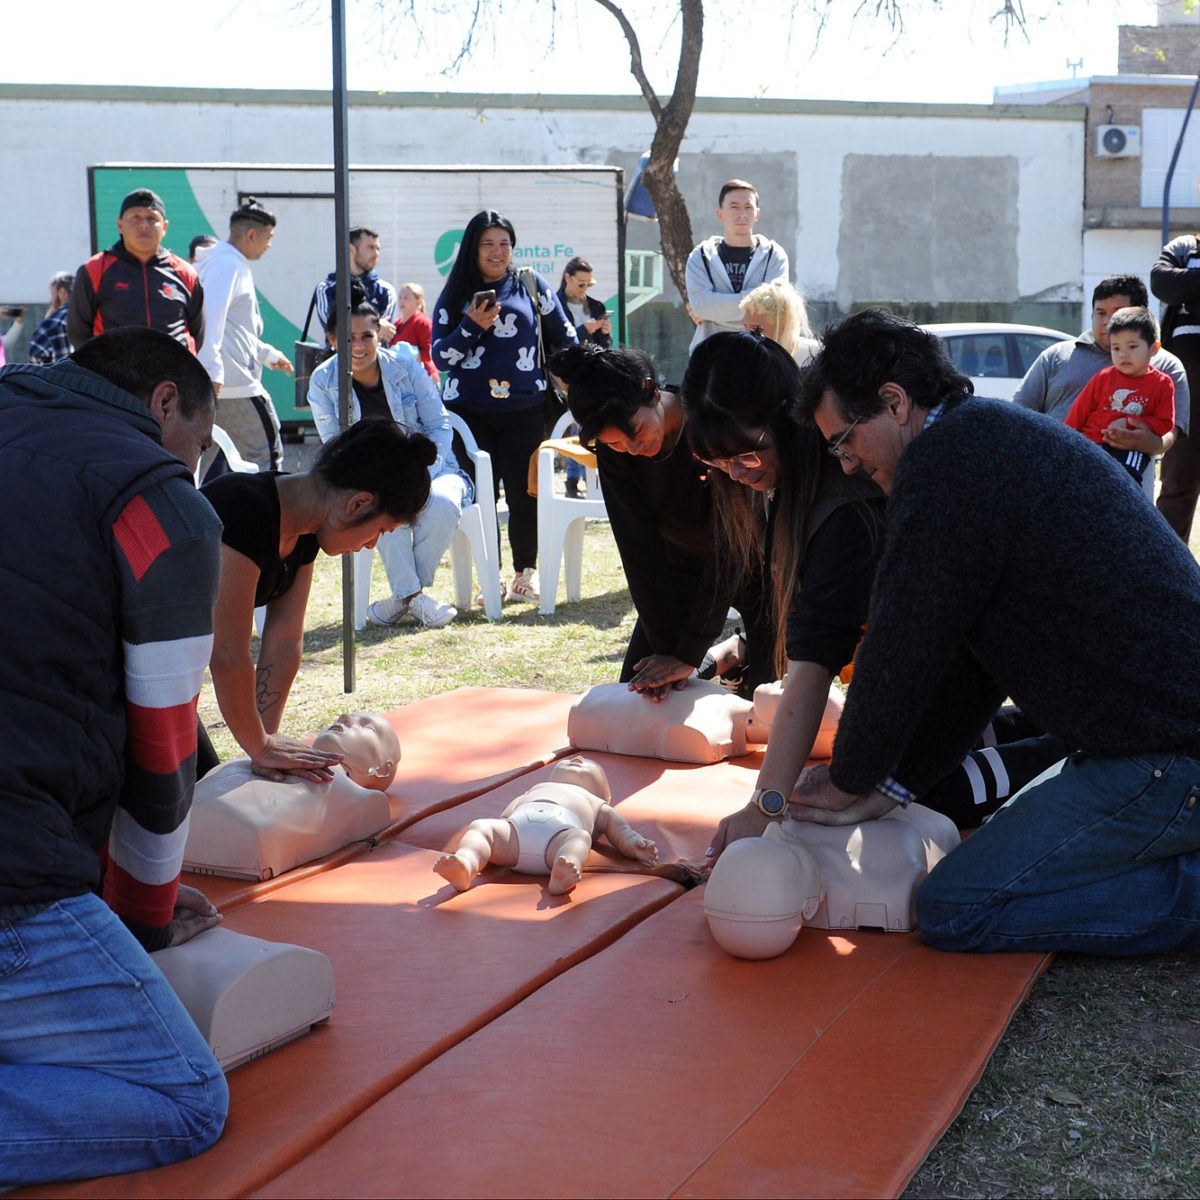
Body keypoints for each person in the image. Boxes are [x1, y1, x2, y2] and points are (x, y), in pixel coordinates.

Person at [788, 308, 1200, 956]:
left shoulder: (946, 467)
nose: (845, 464)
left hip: (1169, 758)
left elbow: (902, 643)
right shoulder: (981, 441)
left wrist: (850, 777)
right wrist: (892, 783)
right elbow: (970, 666)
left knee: (956, 908)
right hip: (1152, 743)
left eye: (844, 441)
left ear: (894, 403)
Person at [682, 332, 1070, 856]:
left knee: (917, 794)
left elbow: (855, 657)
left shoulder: (866, 500)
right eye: (716, 464)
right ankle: (1046, 727)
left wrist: (772, 801)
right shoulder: (827, 479)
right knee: (900, 771)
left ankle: (1067, 746)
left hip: (1001, 669)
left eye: (746, 456)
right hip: (970, 673)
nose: (735, 474)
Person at [0, 327, 228, 1185]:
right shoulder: (155, 499)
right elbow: (164, 740)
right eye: (200, 445)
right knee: (184, 1100)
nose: (195, 466)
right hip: (12, 874)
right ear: (166, 403)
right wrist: (141, 911)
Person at [202, 421, 435, 780]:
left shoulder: (305, 528)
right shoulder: (245, 510)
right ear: (358, 504)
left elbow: (284, 641)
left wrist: (265, 745)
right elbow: (227, 653)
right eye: (380, 530)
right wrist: (261, 747)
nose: (371, 545)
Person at [548, 340, 775, 701]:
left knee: (767, 705)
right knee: (641, 693)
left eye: (636, 432)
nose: (633, 449)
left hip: (759, 566)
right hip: (680, 565)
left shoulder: (707, 420)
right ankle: (729, 655)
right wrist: (669, 650)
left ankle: (740, 651)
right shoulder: (615, 453)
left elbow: (731, 549)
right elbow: (638, 550)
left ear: (652, 392)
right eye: (617, 444)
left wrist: (688, 654)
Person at [432, 209, 578, 603]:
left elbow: (565, 337)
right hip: (468, 414)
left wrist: (571, 374)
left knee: (525, 494)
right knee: (481, 497)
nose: (497, 252)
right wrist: (471, 327)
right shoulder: (456, 292)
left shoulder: (529, 284)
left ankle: (525, 574)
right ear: (472, 248)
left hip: (525, 409)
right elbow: (441, 357)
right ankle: (490, 576)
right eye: (488, 244)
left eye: (504, 244)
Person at [308, 293, 469, 630]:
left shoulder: (406, 367)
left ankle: (403, 598)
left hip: (433, 468)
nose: (359, 346)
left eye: (367, 336)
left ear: (379, 334)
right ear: (332, 340)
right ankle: (414, 597)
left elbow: (439, 425)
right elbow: (335, 447)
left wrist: (424, 471)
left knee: (442, 503)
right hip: (369, 479)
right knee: (382, 505)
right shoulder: (323, 381)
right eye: (349, 338)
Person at [1013, 273, 1189, 504]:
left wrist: (1150, 442)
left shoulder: (1166, 366)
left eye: (1117, 312)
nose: (1107, 322)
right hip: (1060, 470)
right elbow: (1021, 413)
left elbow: (1171, 429)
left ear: (1139, 314)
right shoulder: (1057, 355)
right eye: (1100, 313)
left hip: (1129, 479)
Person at [433, 756, 658, 896]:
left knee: (579, 838)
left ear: (605, 794)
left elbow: (619, 830)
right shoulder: (536, 789)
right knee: (482, 827)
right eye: (574, 759)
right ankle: (467, 864)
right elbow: (507, 815)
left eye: (590, 765)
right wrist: (499, 836)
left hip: (559, 838)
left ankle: (564, 870)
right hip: (516, 834)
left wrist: (634, 844)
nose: (579, 758)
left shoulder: (597, 803)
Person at [197, 197, 293, 472]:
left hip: (216, 382)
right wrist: (212, 370)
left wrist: (267, 355)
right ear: (251, 235)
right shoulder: (229, 265)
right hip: (233, 384)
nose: (269, 244)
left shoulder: (216, 262)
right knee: (266, 459)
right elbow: (210, 317)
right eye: (268, 237)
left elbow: (234, 328)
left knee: (198, 464)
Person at [67, 187, 205, 354]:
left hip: (173, 370)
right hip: (114, 370)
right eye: (135, 218)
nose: (143, 225)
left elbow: (197, 333)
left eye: (152, 218)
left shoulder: (185, 274)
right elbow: (78, 333)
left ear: (165, 227)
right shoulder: (95, 270)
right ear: (120, 225)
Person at [1064, 306, 1174, 484]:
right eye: (1116, 348)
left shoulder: (1162, 384)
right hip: (1091, 443)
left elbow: (1165, 424)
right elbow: (1077, 413)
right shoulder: (1102, 378)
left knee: (1125, 479)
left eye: (1132, 346)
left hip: (1131, 449)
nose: (1123, 354)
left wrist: (1129, 423)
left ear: (1153, 348)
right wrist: (1066, 442)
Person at [685, 179, 789, 352]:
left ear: (757, 213)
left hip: (760, 354)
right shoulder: (701, 256)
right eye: (734, 207)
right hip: (711, 353)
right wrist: (753, 305)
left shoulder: (774, 256)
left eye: (748, 207)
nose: (742, 214)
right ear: (720, 213)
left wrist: (715, 311)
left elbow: (772, 308)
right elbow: (701, 306)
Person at [1152, 229, 1200, 539]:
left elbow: (1177, 286)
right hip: (1187, 371)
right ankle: (1166, 562)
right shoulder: (1186, 245)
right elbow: (1161, 282)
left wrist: (1190, 290)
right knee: (1178, 477)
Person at [556, 256, 612, 497]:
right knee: (577, 426)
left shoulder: (596, 306)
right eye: (581, 284)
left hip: (593, 372)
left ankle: (587, 479)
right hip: (568, 375)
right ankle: (573, 479)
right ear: (567, 278)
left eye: (589, 284)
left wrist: (605, 333)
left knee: (590, 426)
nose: (585, 289)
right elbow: (557, 343)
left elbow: (605, 346)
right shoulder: (555, 306)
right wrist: (582, 331)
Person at [313, 226, 400, 345]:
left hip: (375, 357)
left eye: (378, 249)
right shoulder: (326, 288)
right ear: (351, 250)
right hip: (338, 357)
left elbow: (385, 334)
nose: (376, 254)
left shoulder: (386, 290)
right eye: (370, 248)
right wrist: (377, 325)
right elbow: (335, 329)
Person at [738, 277, 819, 365]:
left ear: (783, 327)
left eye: (757, 329)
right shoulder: (741, 358)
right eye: (745, 327)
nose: (746, 336)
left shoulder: (815, 356)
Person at [394, 281, 439, 382]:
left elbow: (430, 352)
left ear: (418, 302)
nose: (402, 301)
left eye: (406, 298)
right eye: (400, 297)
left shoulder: (423, 322)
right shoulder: (397, 323)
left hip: (424, 376)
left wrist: (412, 355)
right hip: (405, 377)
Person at [26, 271, 74, 365]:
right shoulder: (88, 317)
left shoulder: (54, 322)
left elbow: (35, 358)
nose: (51, 301)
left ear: (62, 293)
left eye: (52, 294)